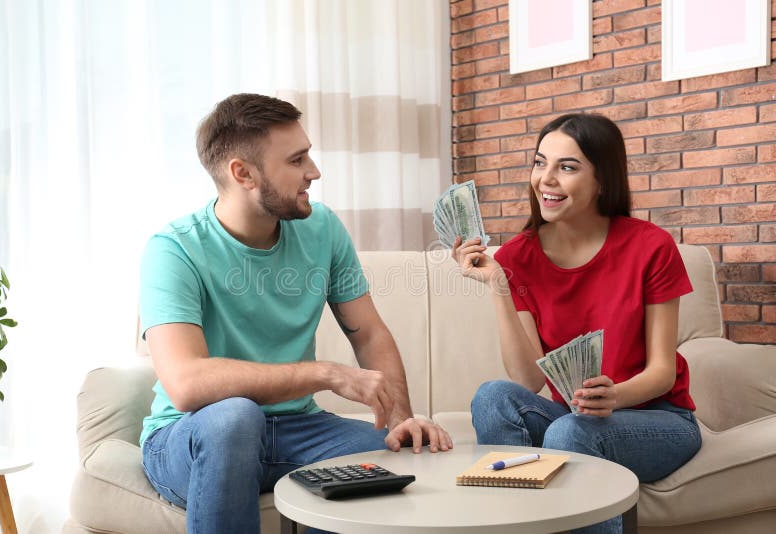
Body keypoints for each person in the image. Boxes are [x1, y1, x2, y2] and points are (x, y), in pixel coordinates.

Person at [139, 93, 452, 534]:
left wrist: (401, 421)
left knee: (399, 458)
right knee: (234, 417)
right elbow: (188, 385)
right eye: (297, 159)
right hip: (191, 436)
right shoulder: (173, 250)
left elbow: (370, 335)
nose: (314, 172)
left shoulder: (321, 227)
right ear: (243, 173)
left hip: (298, 430)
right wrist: (324, 373)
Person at [452, 113, 702, 533]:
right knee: (493, 396)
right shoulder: (515, 257)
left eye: (567, 167)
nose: (546, 178)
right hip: (575, 416)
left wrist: (616, 396)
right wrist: (499, 286)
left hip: (659, 419)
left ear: (602, 179)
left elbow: (661, 372)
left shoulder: (651, 247)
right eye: (539, 162)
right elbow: (528, 379)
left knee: (570, 433)